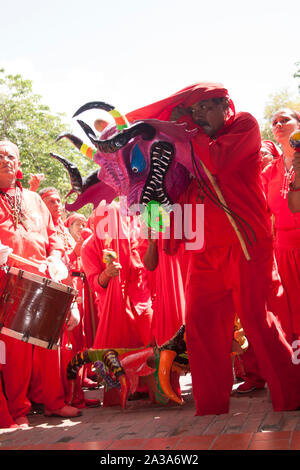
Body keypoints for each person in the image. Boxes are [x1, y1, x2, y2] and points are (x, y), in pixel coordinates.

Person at [126, 83, 300, 416]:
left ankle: (290, 396)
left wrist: (182, 130)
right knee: (200, 326)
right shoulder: (187, 144)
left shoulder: (245, 125)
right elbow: (168, 192)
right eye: (194, 110)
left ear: (226, 106)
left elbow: (217, 162)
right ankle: (210, 406)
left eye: (206, 107)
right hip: (204, 251)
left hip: (245, 245)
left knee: (257, 320)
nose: (199, 115)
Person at [0, 140, 80, 428]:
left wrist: (57, 256)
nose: (6, 160)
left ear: (19, 164)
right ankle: (19, 409)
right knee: (15, 352)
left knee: (50, 346)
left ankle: (54, 403)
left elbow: (54, 235)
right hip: (9, 283)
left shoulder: (34, 199)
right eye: (0, 156)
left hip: (45, 279)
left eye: (11, 155)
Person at [81, 199, 153, 406]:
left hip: (139, 296)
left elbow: (146, 263)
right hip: (110, 303)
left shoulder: (133, 236)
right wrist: (107, 274)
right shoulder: (89, 247)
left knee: (146, 339)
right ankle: (122, 389)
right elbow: (95, 283)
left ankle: (148, 388)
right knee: (116, 345)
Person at [38, 188, 99, 407]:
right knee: (66, 345)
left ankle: (76, 393)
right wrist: (74, 253)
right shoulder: (44, 229)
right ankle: (65, 398)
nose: (56, 205)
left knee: (77, 341)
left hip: (73, 287)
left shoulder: (57, 230)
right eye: (50, 201)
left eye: (57, 201)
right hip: (58, 291)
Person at [261, 108, 300, 340]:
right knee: (292, 316)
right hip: (283, 253)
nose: (278, 124)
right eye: (274, 122)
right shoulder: (269, 171)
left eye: (285, 120)